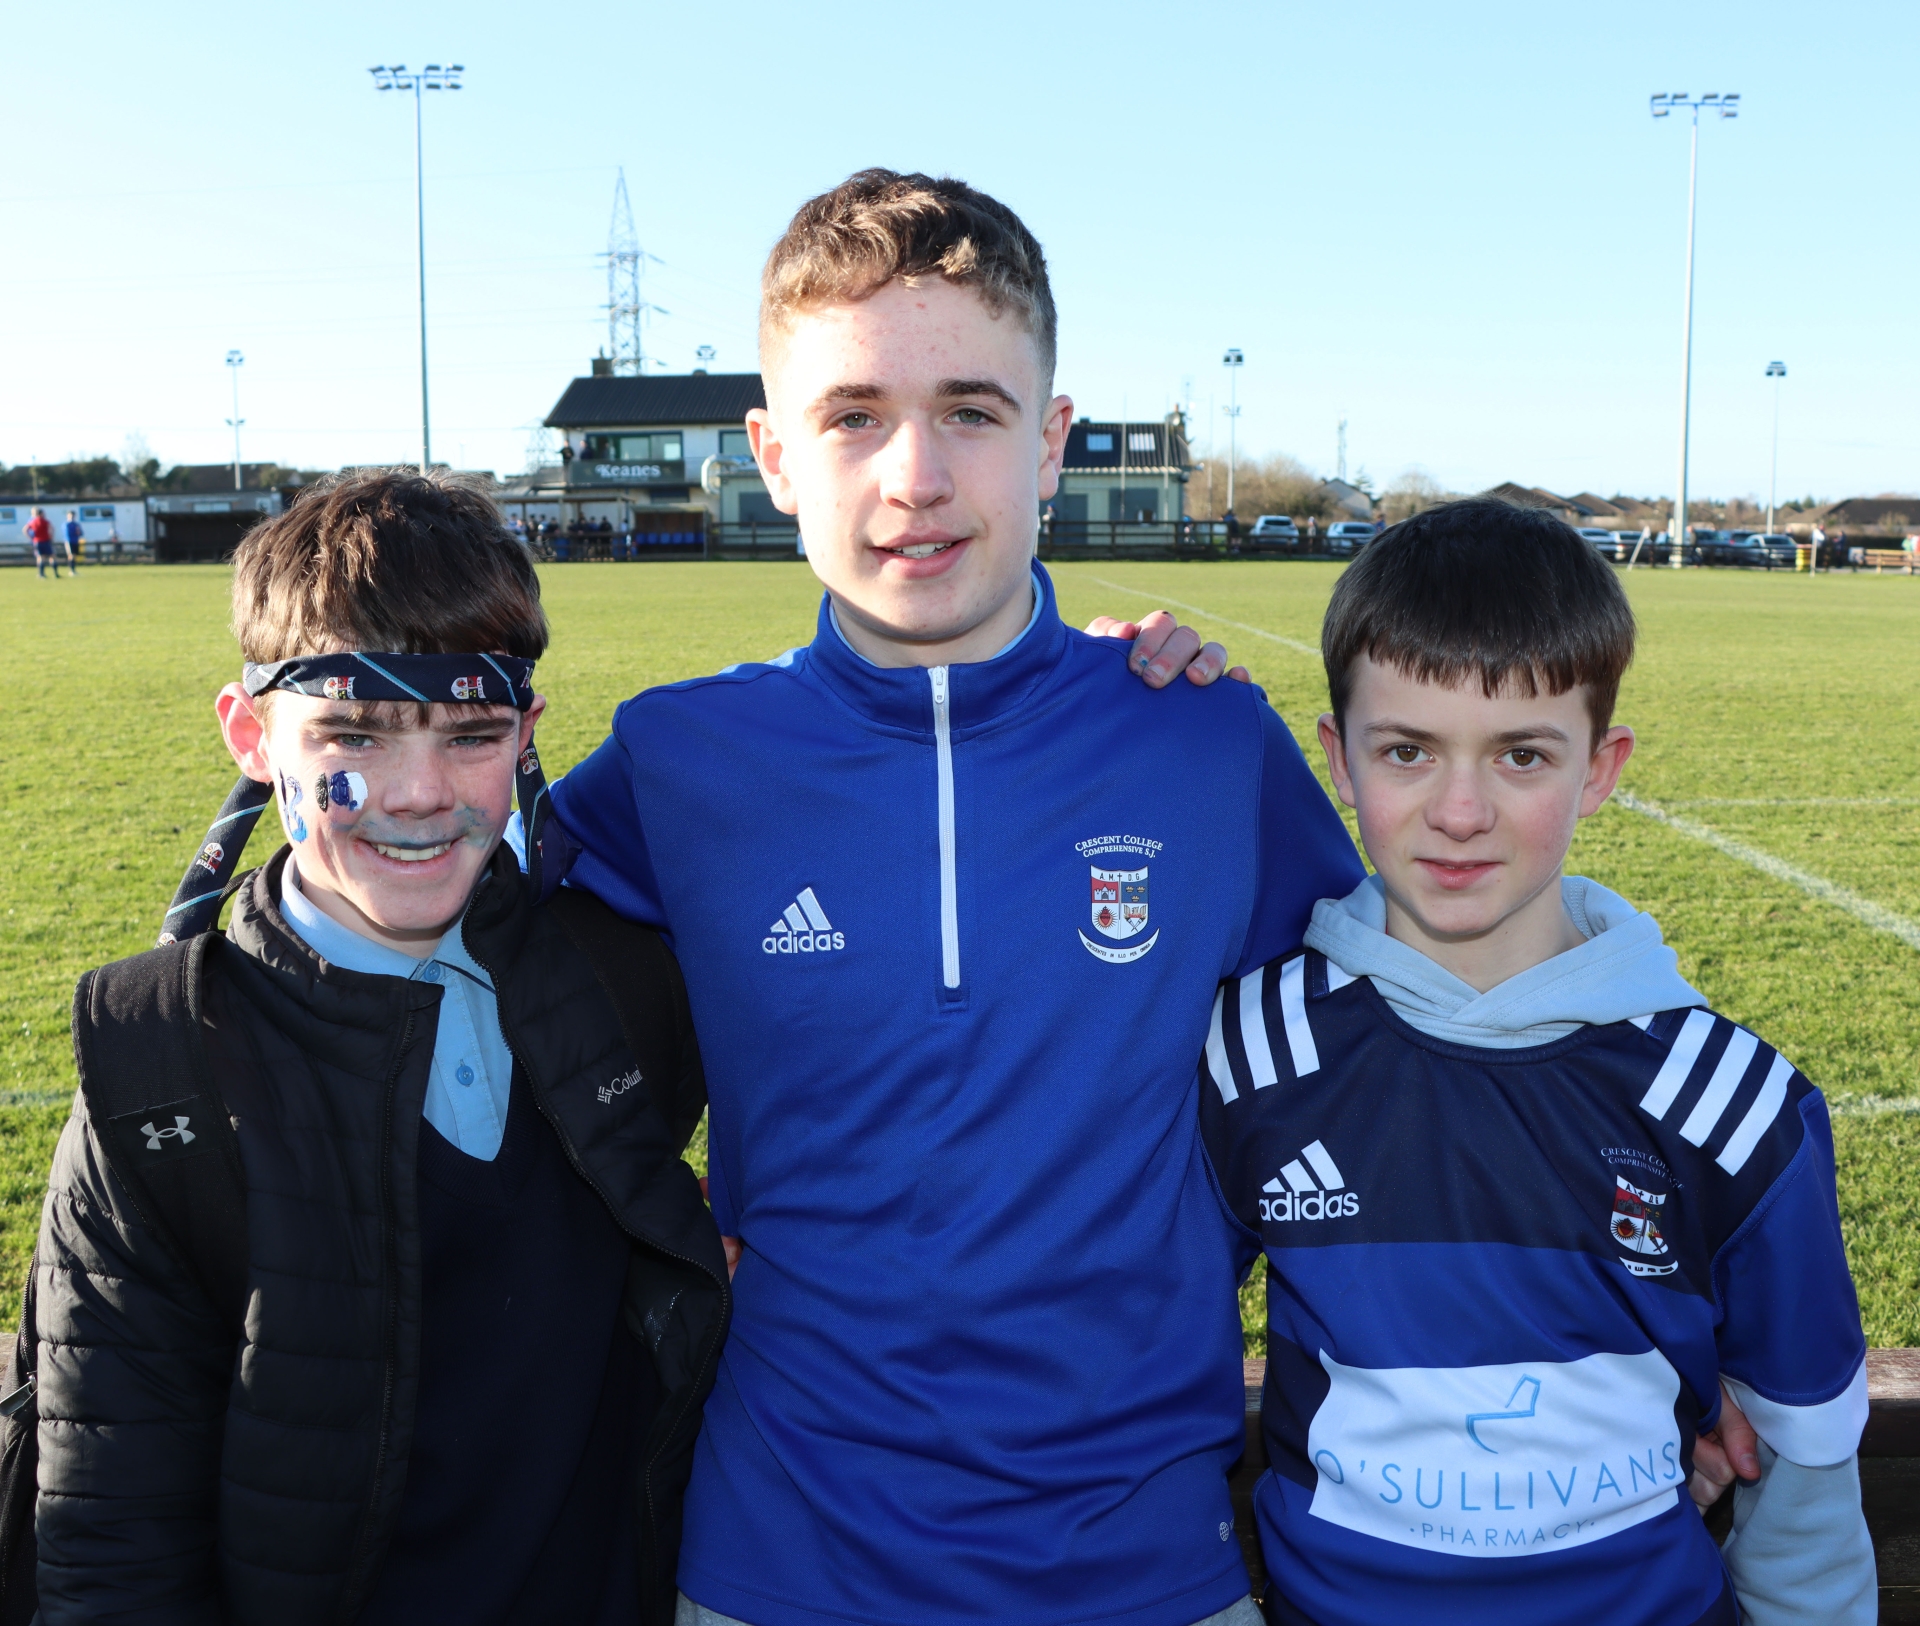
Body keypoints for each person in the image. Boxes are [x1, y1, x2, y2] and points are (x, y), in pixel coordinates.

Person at [543, 169, 1365, 1626]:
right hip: (773, 1559)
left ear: (1050, 444)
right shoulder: (677, 758)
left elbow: (1411, 1055)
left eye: (973, 412)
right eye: (853, 414)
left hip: (1145, 1562)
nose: (913, 474)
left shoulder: (1203, 738)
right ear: (773, 454)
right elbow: (436, 933)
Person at [27, 468, 729, 1625]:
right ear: (253, 733)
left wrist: (1102, 688)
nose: (416, 794)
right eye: (351, 730)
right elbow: (112, 1542)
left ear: (527, 734)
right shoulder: (161, 1078)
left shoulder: (627, 978)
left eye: (470, 735)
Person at [1203, 498, 1873, 1626]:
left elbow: (1803, 1460)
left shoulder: (1730, 1102)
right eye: (1407, 751)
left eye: (1521, 755)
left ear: (1600, 768)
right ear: (1338, 759)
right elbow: (1147, 1360)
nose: (1459, 812)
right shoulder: (1251, 1053)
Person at [26, 507, 57, 578]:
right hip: (45, 541)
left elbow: (25, 529)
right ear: (41, 514)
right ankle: (55, 573)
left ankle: (41, 574)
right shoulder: (45, 521)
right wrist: (51, 537)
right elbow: (52, 529)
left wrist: (31, 537)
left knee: (40, 557)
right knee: (52, 556)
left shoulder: (32, 522)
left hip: (37, 541)